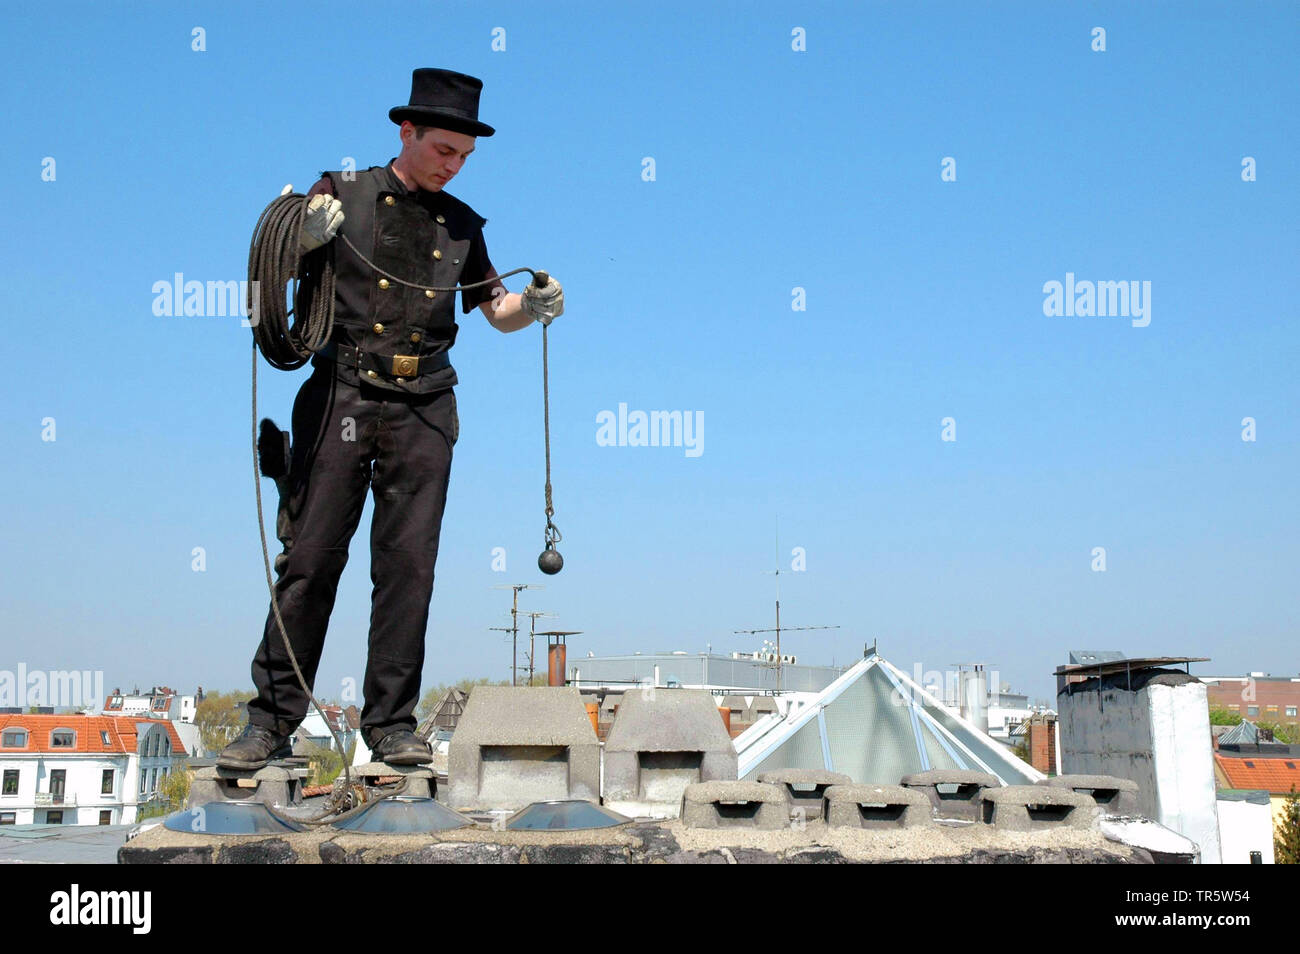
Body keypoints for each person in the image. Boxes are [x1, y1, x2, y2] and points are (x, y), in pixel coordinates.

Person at [219, 68, 563, 769]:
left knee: (409, 569)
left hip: (426, 404)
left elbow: (495, 310)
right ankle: (269, 722)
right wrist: (305, 241)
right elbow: (275, 268)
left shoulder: (464, 226)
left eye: (464, 157)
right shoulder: (337, 194)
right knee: (311, 559)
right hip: (343, 391)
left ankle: (392, 728)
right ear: (406, 132)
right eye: (443, 150)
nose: (453, 165)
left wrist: (535, 307)